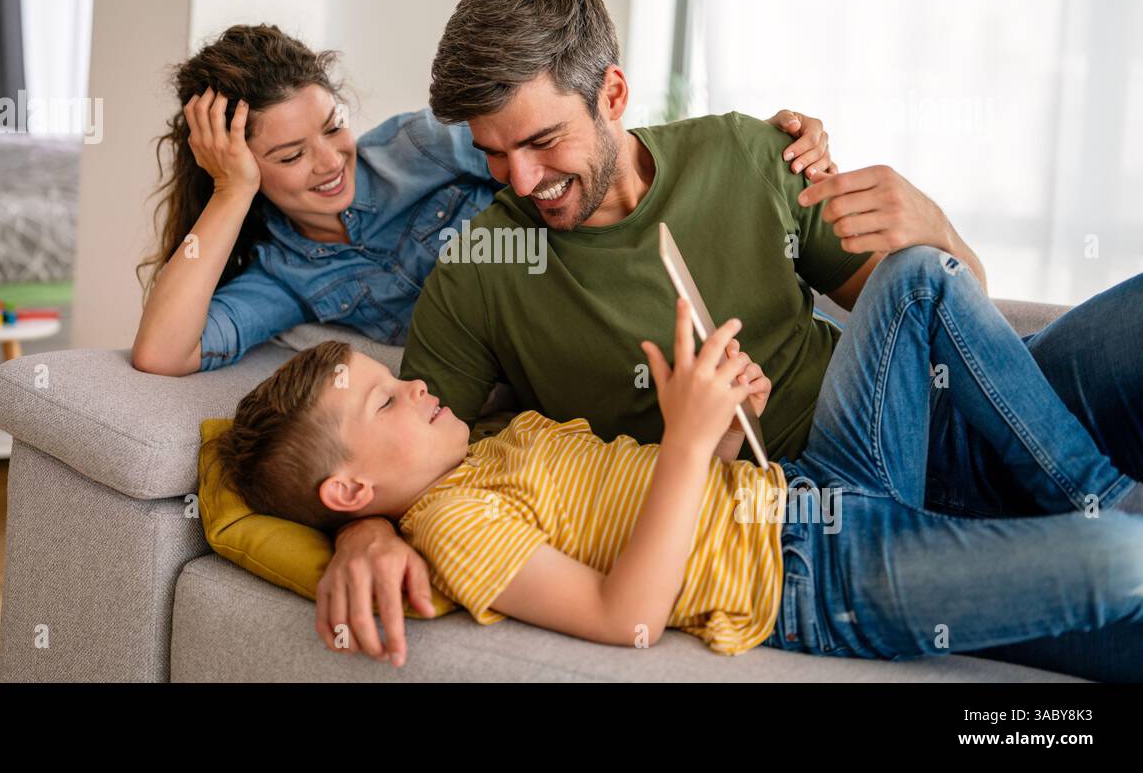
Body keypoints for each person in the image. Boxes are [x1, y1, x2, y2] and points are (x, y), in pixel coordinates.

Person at [321, 0, 1143, 670]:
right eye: (494, 153)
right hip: (819, 510)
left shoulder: (745, 153)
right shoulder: (482, 269)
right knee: (1115, 590)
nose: (523, 178)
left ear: (612, 92)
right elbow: (400, 450)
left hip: (964, 416)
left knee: (930, 269)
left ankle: (1098, 501)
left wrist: (938, 226)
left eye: (542, 141)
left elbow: (944, 314)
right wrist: (361, 538)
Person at [213, 246, 1143, 679]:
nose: (415, 386)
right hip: (818, 582)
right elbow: (628, 618)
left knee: (916, 276)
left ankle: (1102, 494)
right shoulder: (453, 523)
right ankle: (1112, 517)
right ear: (351, 491)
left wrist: (720, 420)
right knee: (1118, 564)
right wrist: (690, 442)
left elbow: (666, 500)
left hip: (814, 485)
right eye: (387, 400)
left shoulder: (504, 440)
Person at [130, 22, 830, 375]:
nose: (329, 161)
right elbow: (164, 352)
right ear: (242, 169)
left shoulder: (416, 146)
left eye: (333, 126)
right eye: (287, 155)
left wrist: (741, 149)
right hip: (509, 371)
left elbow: (574, 148)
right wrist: (230, 193)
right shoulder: (286, 274)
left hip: (595, 302)